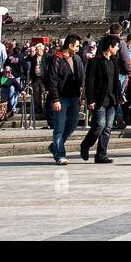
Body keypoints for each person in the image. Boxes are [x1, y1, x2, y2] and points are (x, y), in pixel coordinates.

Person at [79, 35, 122, 164]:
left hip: (112, 98)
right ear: (110, 47)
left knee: (108, 127)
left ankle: (101, 154)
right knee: (99, 125)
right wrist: (90, 99)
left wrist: (119, 96)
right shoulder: (95, 61)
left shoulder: (114, 61)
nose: (118, 48)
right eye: (117, 46)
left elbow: (116, 80)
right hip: (99, 98)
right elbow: (90, 82)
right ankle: (85, 145)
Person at [43, 35, 83, 165]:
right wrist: (55, 99)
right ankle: (59, 154)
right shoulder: (56, 58)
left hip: (74, 96)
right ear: (70, 46)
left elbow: (80, 76)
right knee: (59, 127)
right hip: (61, 97)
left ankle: (55, 146)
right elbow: (52, 80)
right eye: (77, 46)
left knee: (72, 124)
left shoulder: (76, 58)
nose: (78, 48)